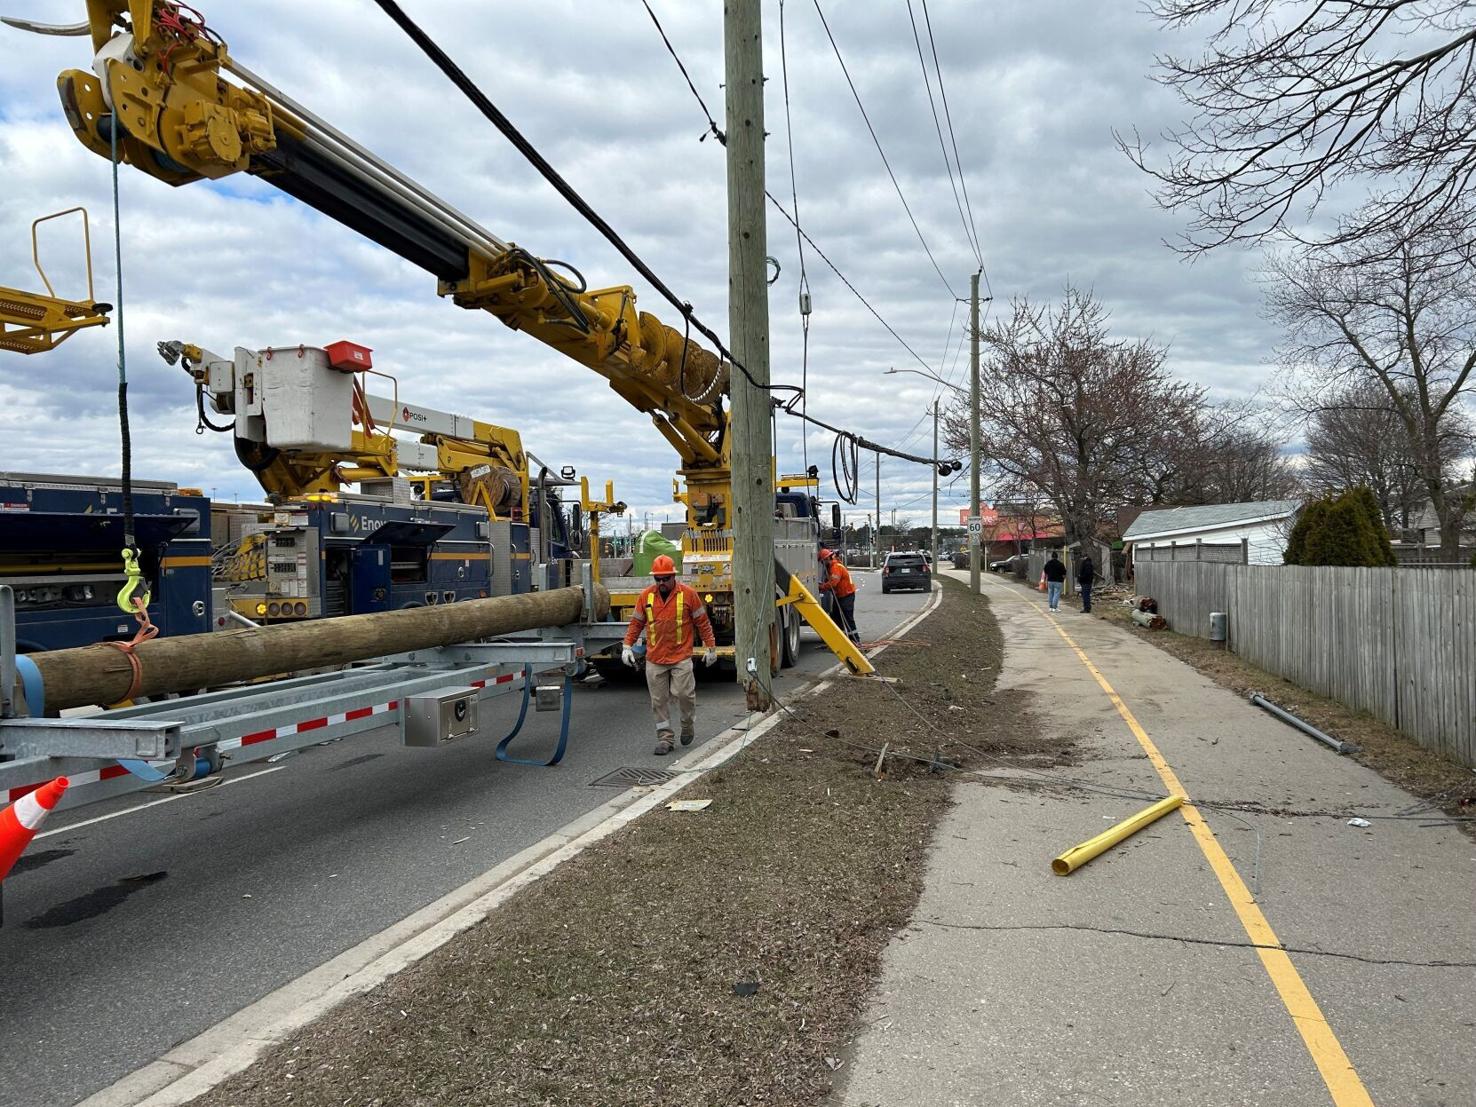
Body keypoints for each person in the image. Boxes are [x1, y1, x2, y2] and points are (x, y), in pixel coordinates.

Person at [622, 555, 717, 756]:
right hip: (655, 659)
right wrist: (627, 646)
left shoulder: (689, 595)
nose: (661, 583)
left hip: (681, 656)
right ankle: (665, 738)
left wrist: (711, 647)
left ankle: (687, 724)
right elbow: (636, 623)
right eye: (658, 579)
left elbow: (703, 623)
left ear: (674, 576)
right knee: (658, 702)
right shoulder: (646, 597)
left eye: (665, 578)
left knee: (684, 695)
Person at [818, 547, 860, 644]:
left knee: (847, 618)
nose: (822, 564)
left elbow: (833, 583)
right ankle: (841, 640)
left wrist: (822, 586)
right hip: (840, 596)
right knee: (836, 617)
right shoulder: (832, 567)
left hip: (847, 595)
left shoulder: (836, 567)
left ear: (827, 559)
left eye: (822, 561)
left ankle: (855, 640)